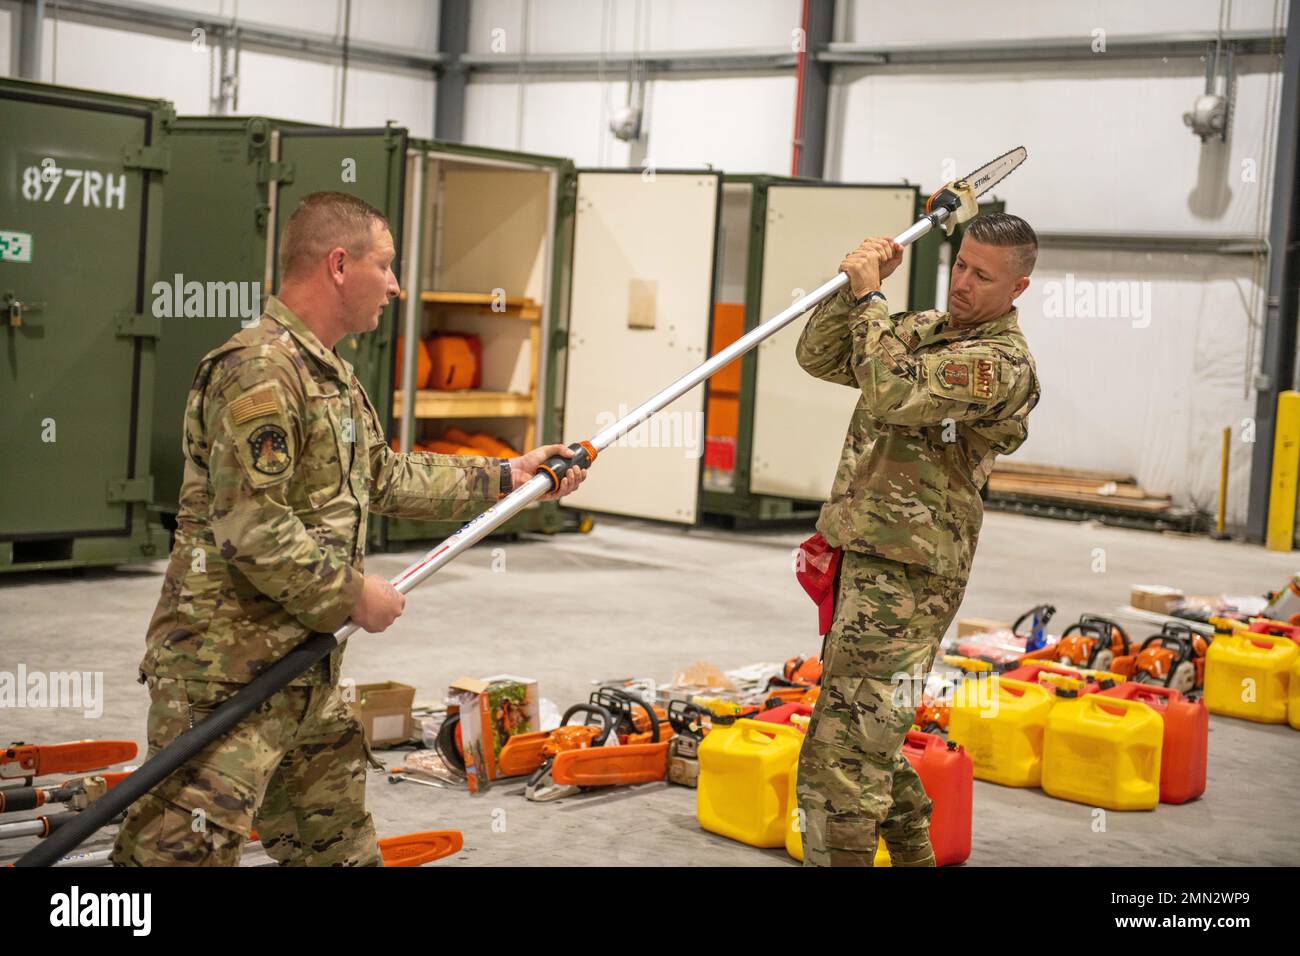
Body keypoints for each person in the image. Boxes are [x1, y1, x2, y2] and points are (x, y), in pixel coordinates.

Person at [112, 191, 586, 866]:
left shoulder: (330, 377)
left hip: (304, 673)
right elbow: (251, 524)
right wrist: (353, 595)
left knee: (338, 850)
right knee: (174, 858)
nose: (395, 286)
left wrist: (511, 475)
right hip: (226, 678)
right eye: (385, 265)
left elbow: (386, 479)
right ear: (340, 264)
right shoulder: (259, 370)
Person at [794, 212, 1041, 866]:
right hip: (865, 559)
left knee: (845, 763)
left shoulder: (1001, 365)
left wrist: (873, 300)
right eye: (960, 264)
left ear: (1018, 288)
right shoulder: (925, 330)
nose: (962, 283)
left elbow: (888, 390)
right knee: (853, 736)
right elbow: (819, 357)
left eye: (982, 276)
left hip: (913, 578)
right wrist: (849, 296)